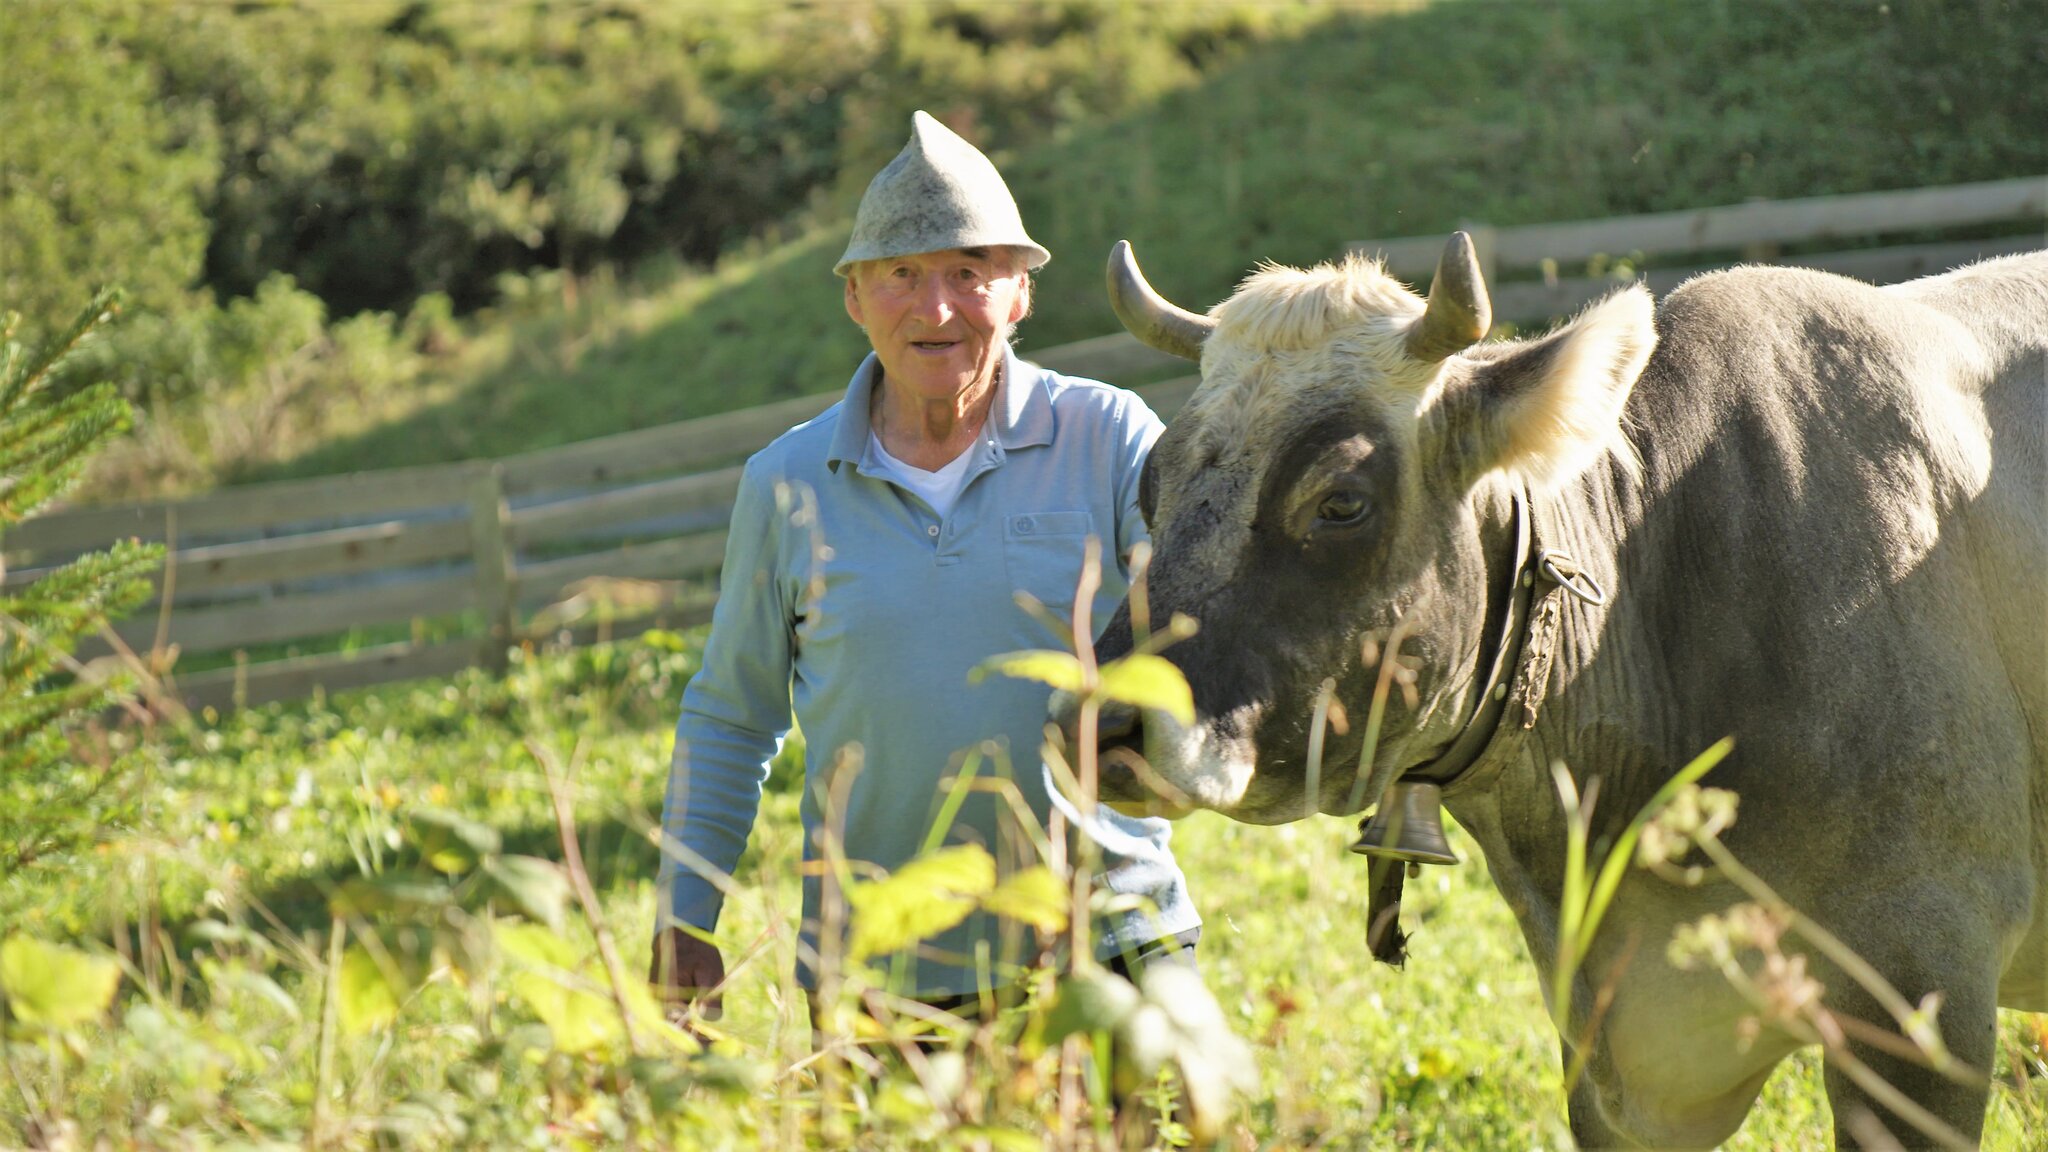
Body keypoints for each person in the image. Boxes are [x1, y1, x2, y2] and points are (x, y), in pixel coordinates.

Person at [647, 111, 1200, 1032]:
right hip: (878, 964)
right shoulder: (785, 484)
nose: (935, 308)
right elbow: (731, 717)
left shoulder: (1109, 438)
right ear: (855, 298)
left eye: (968, 274)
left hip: (1110, 943)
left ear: (1019, 295)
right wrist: (683, 913)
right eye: (902, 275)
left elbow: (1205, 635)